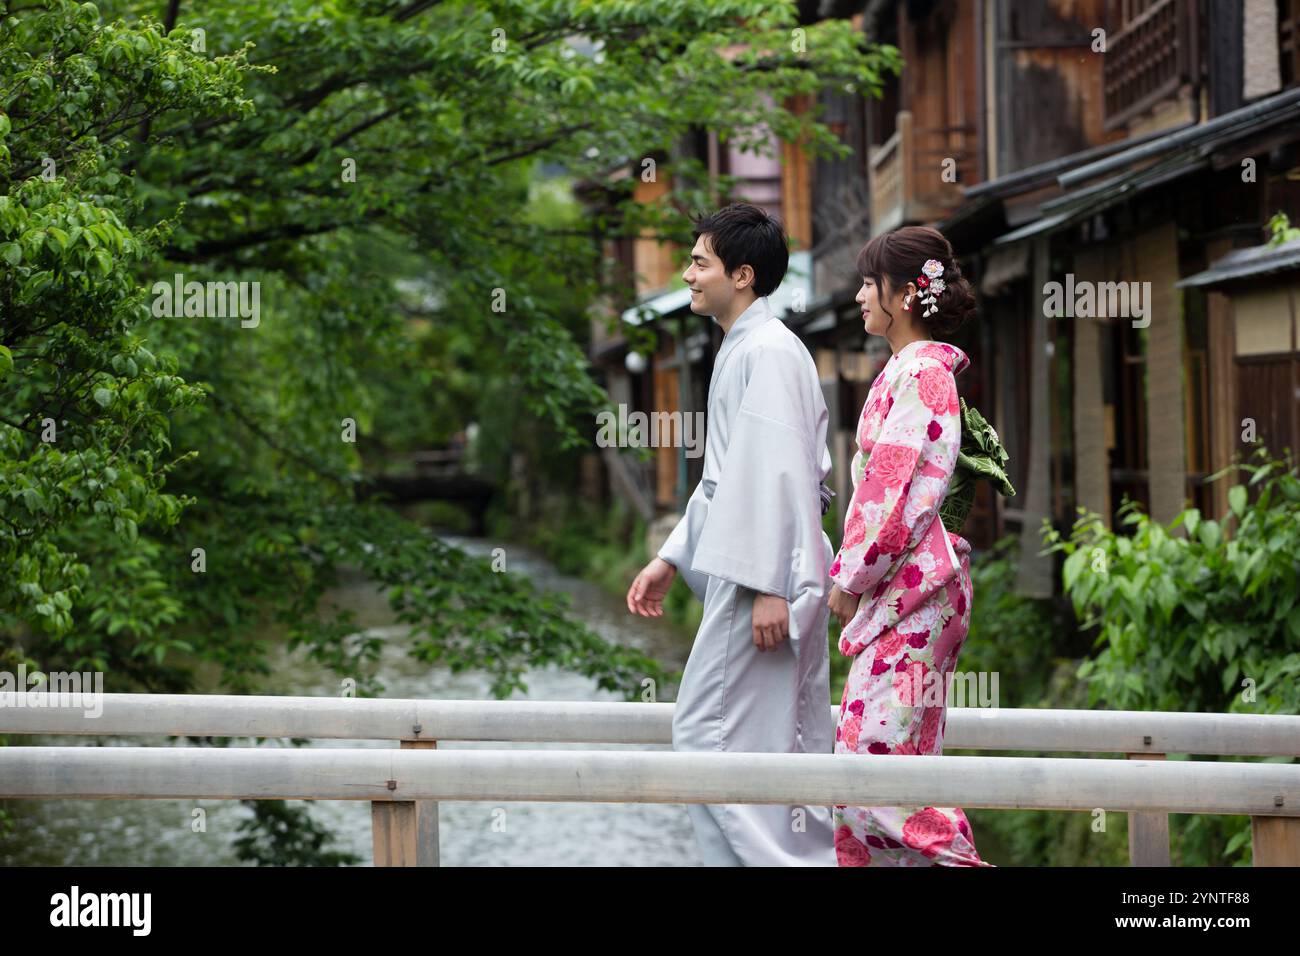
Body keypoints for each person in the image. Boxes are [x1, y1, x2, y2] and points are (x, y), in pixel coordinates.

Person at [626, 202, 837, 866]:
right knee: (772, 739)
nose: (687, 274)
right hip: (765, 570)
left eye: (699, 262)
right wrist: (671, 555)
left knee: (708, 735)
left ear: (741, 275)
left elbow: (778, 475)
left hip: (764, 579)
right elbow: (727, 480)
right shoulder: (753, 346)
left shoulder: (767, 350)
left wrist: (769, 583)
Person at [825, 225, 995, 867]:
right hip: (915, 593)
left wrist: (849, 578)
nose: (860, 295)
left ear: (902, 295)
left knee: (874, 770)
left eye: (870, 283)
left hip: (915, 596)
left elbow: (890, 492)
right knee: (880, 771)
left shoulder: (922, 374)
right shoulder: (913, 372)